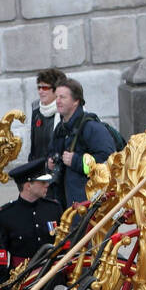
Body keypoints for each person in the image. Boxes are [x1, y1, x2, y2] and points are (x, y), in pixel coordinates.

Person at [47, 78, 115, 206]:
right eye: (56, 97)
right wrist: (49, 162)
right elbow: (52, 151)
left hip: (87, 202)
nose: (58, 101)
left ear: (76, 101)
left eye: (62, 97)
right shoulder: (60, 128)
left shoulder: (92, 128)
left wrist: (77, 161)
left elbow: (108, 159)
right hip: (64, 200)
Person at [8, 67, 67, 186]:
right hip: (38, 172)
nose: (41, 91)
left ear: (56, 90)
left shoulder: (64, 114)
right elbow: (34, 148)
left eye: (45, 87)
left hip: (58, 175)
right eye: (39, 87)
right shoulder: (36, 111)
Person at [0, 171, 62, 270]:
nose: (47, 185)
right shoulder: (5, 215)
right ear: (28, 186)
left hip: (52, 272)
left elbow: (63, 241)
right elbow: (0, 253)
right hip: (21, 276)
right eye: (42, 182)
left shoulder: (53, 208)